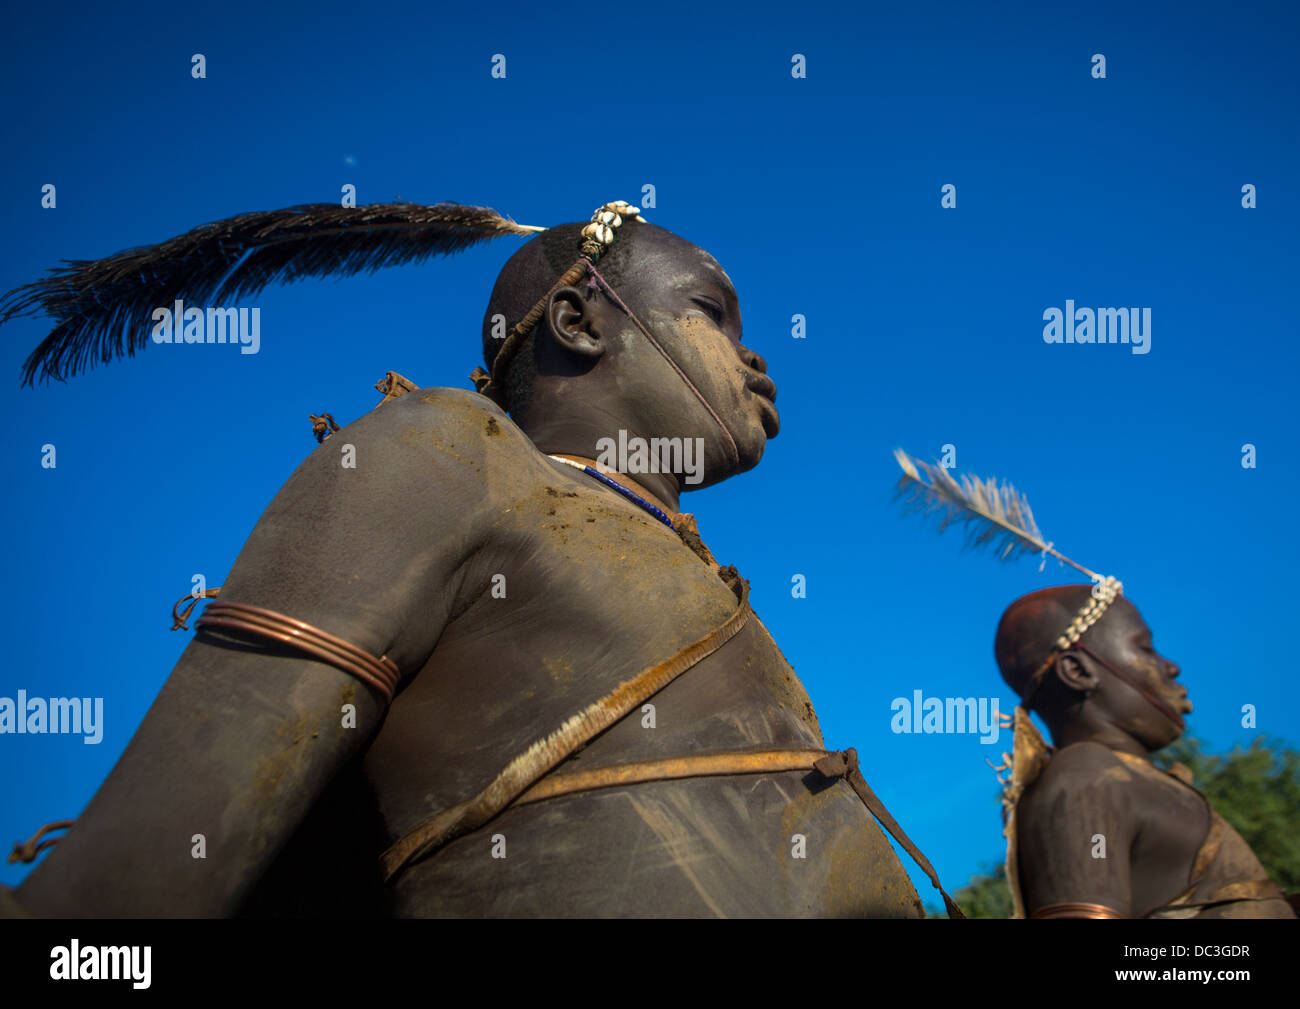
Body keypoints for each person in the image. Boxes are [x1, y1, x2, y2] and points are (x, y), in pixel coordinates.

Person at [3, 201, 954, 917]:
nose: (757, 362)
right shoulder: (450, 454)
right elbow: (132, 891)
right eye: (716, 314)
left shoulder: (716, 586)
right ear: (581, 320)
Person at [994, 584, 1295, 919]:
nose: (1171, 667)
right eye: (1146, 648)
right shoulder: (1087, 779)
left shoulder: (1115, 778)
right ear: (1078, 671)